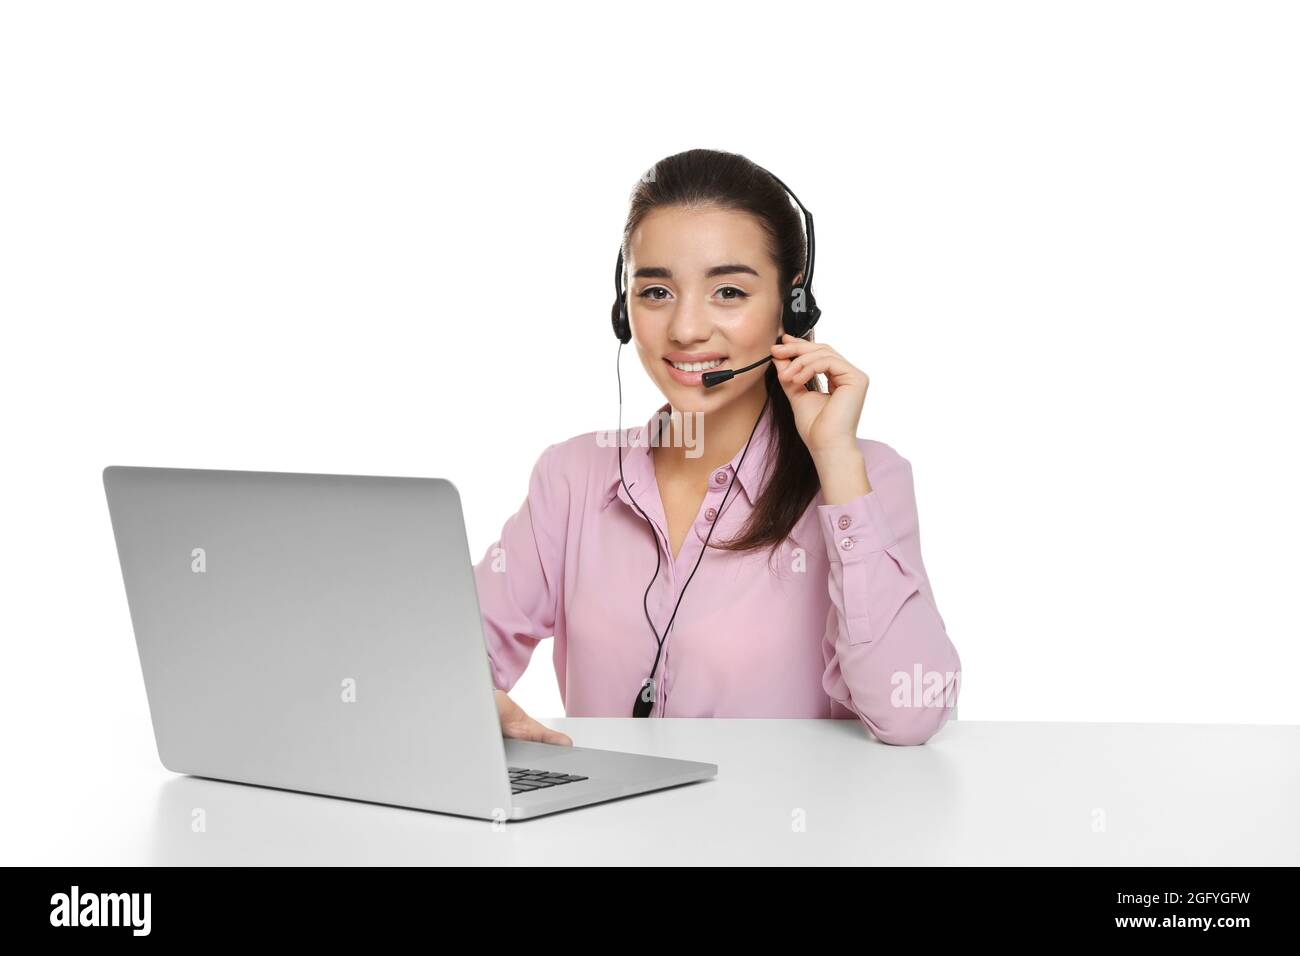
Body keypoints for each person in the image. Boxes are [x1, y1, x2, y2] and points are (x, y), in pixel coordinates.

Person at [475, 148, 961, 747]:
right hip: (605, 837)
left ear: (793, 302)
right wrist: (470, 706)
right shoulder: (572, 477)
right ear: (622, 310)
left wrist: (835, 461)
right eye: (655, 292)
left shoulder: (865, 478)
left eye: (728, 292)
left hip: (786, 835)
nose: (685, 329)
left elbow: (908, 715)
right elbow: (446, 659)